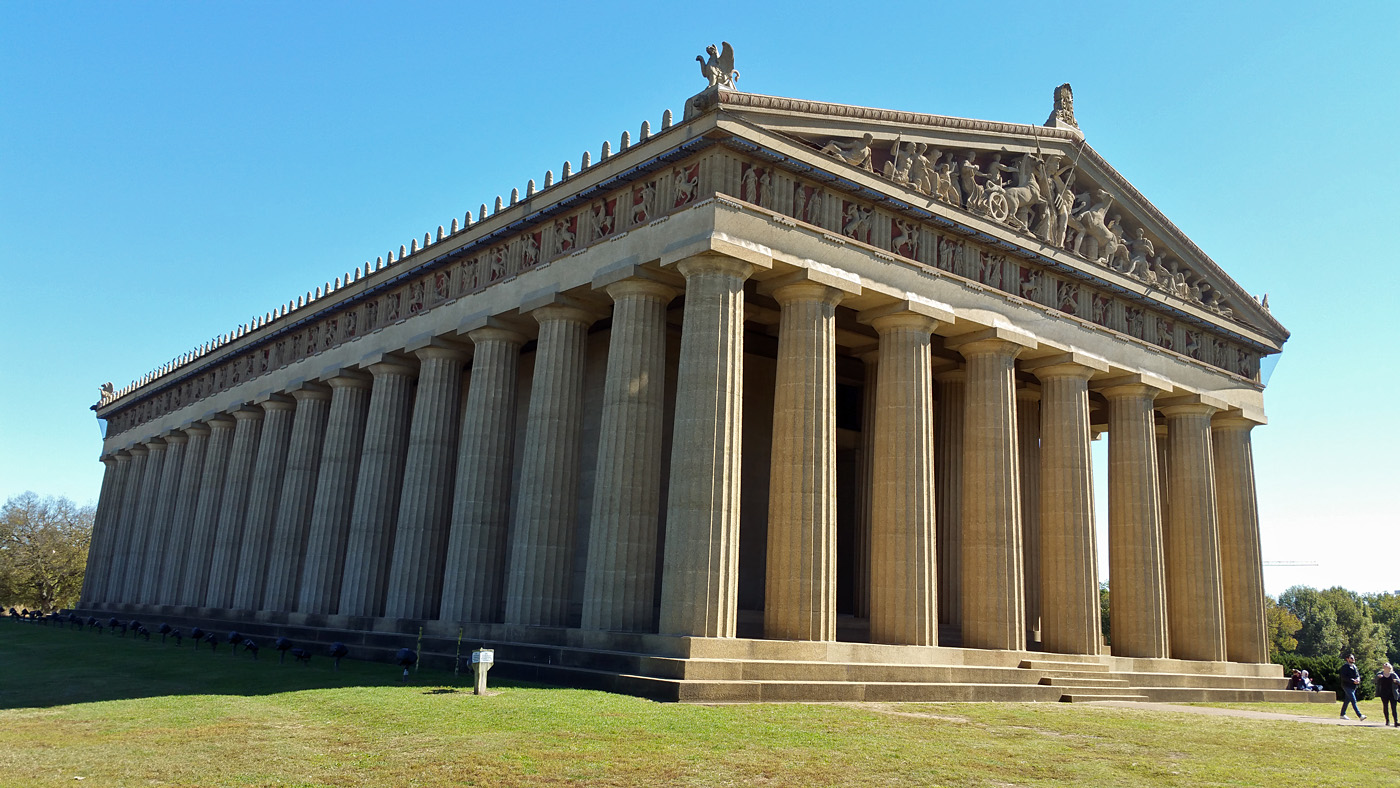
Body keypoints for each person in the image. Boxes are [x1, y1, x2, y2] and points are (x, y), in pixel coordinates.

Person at [1340, 653, 1366, 720]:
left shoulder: (1354, 666)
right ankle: (1360, 715)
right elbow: (1344, 677)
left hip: (1353, 686)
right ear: (1347, 659)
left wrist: (1358, 679)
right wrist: (1352, 680)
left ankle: (1342, 714)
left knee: (1347, 700)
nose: (1353, 659)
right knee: (1353, 700)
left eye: (1353, 658)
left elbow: (1357, 675)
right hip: (1346, 686)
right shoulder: (1345, 667)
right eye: (1351, 658)